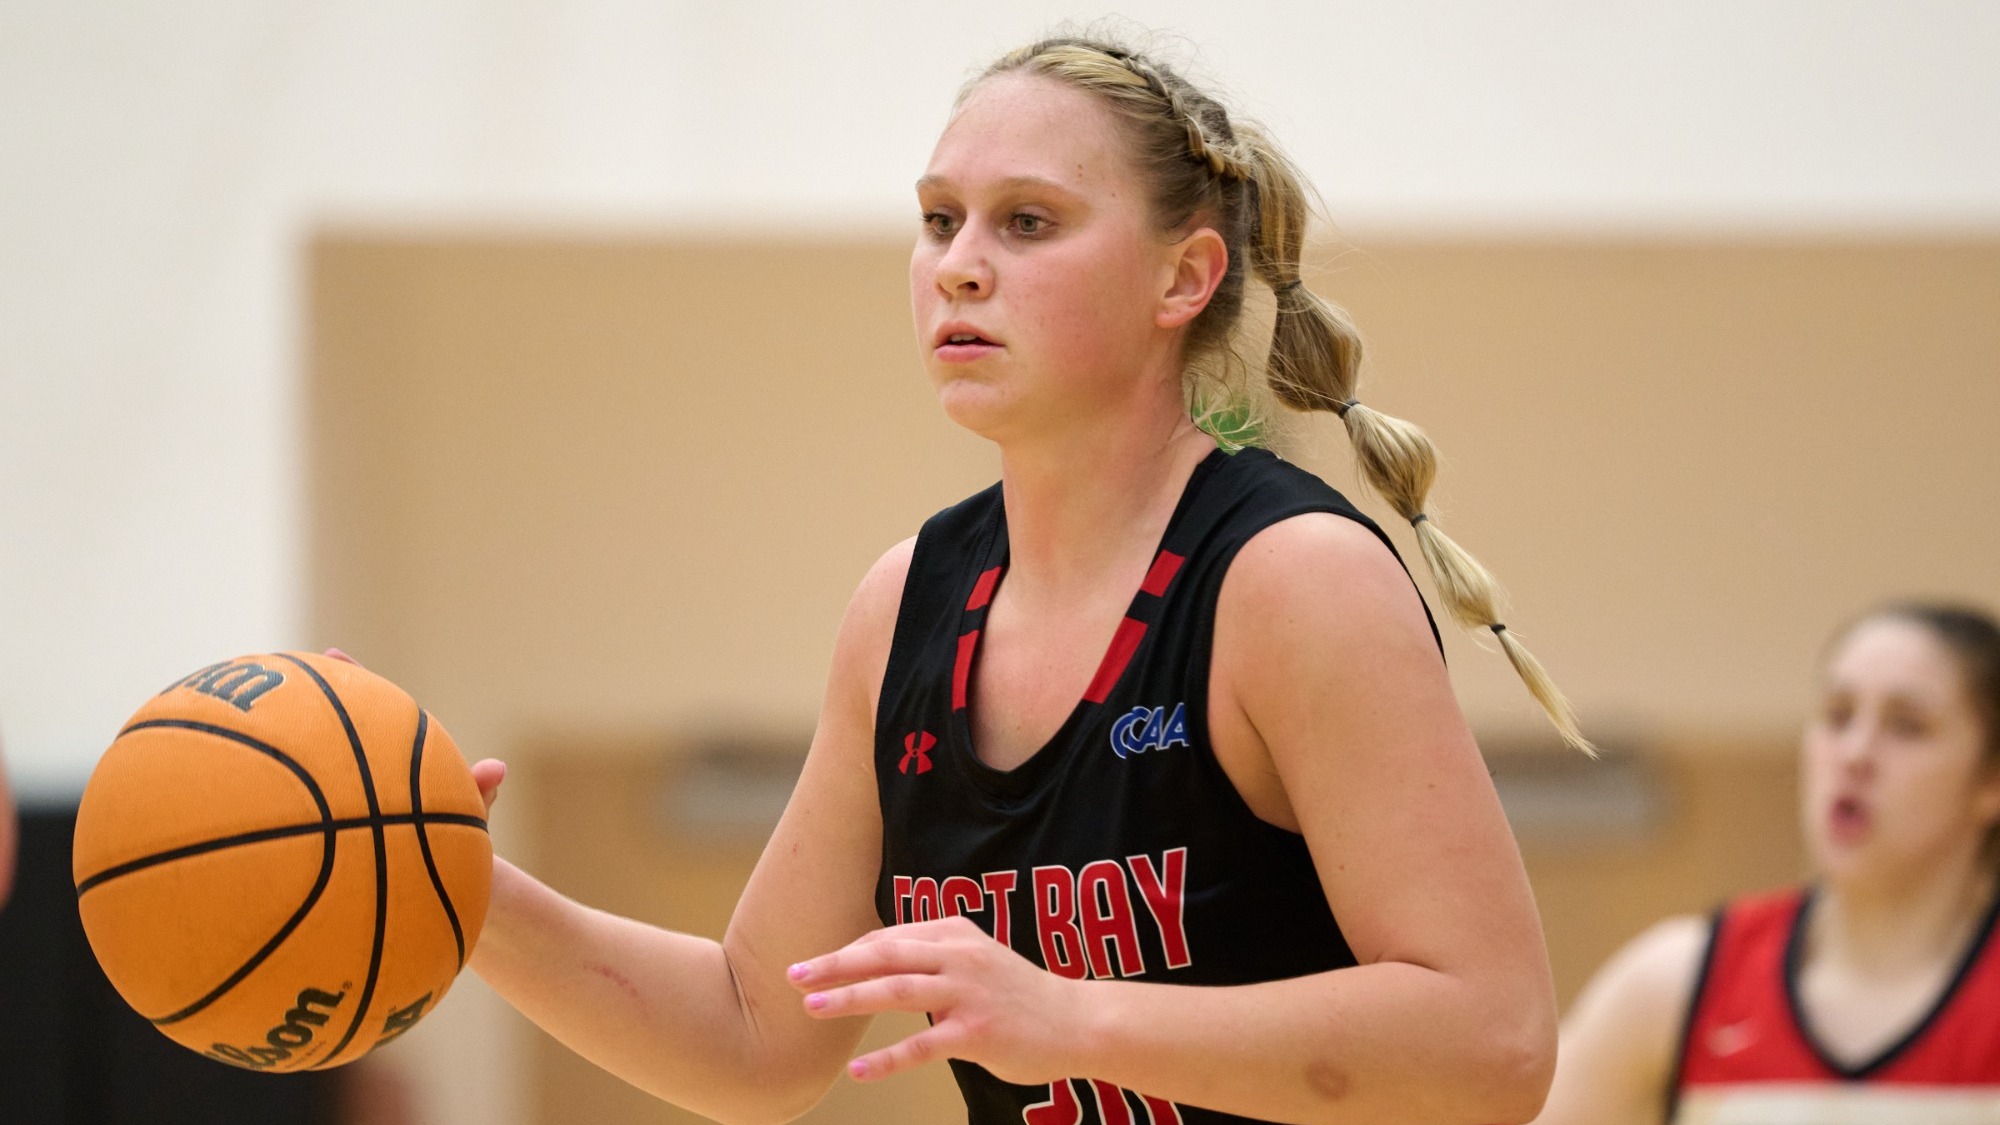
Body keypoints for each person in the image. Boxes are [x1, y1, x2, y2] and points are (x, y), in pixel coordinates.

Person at [450, 34, 1586, 1124]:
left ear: (1182, 277)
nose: (959, 266)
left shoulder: (1291, 580)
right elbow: (755, 1033)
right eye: (938, 220)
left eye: (1026, 222)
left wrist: (1072, 1019)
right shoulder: (906, 606)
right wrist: (462, 890)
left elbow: (1493, 1042)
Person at [1533, 603, 2000, 1124]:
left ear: (1991, 778)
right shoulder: (1676, 984)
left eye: (1908, 726)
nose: (1855, 753)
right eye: (1838, 716)